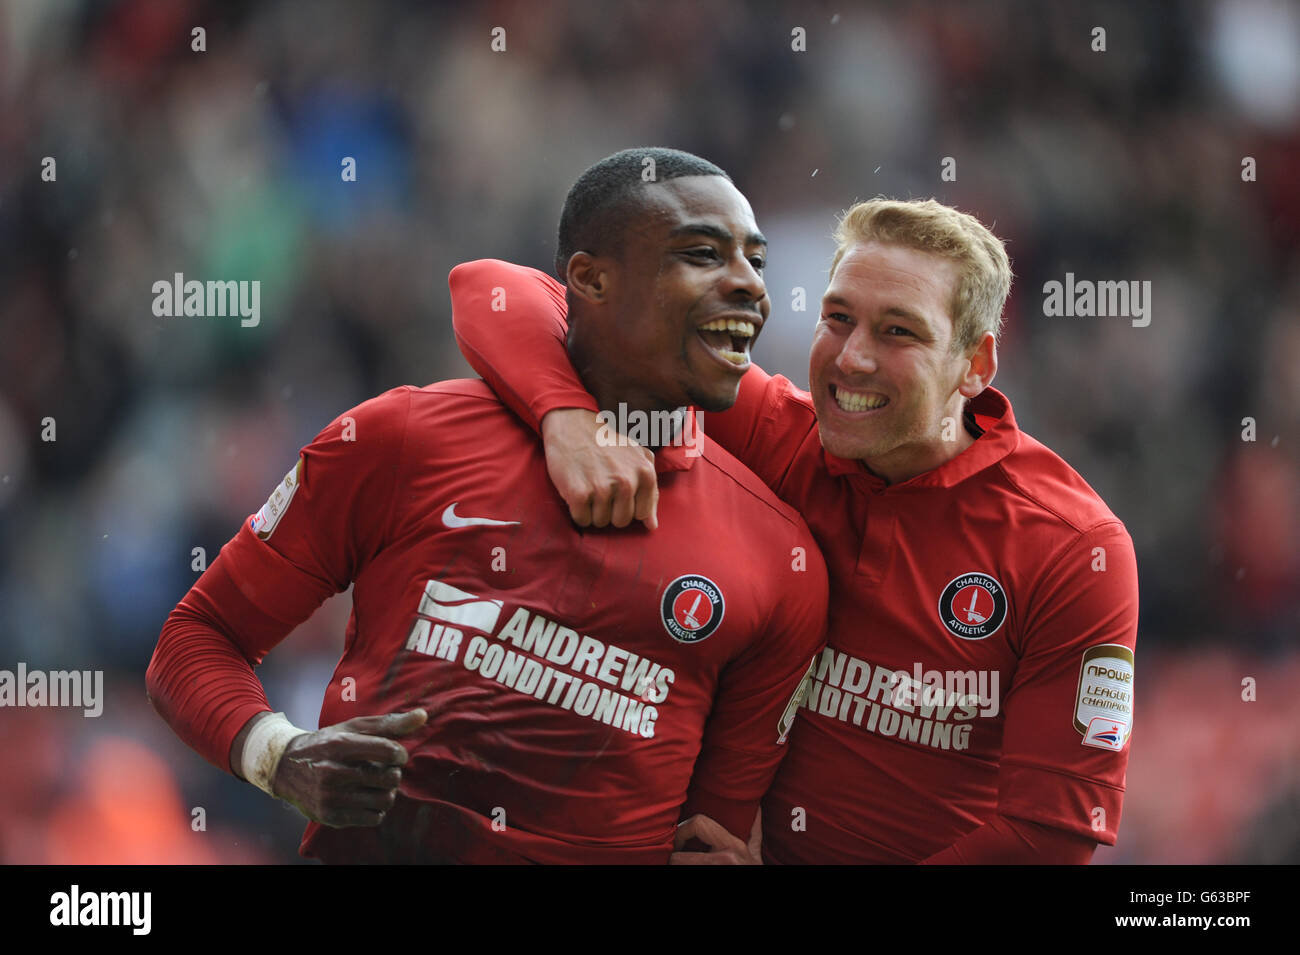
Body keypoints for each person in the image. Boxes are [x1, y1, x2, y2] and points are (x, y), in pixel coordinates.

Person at [146, 147, 828, 864]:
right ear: (590, 280)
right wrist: (278, 753)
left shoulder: (783, 563)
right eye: (703, 254)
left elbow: (710, 838)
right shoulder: (403, 437)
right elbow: (197, 637)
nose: (751, 285)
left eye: (757, 261)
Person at [447, 197, 1140, 864]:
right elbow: (495, 288)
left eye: (898, 330)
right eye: (838, 318)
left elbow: (1047, 837)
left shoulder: (1074, 548)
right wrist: (564, 414)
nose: (852, 359)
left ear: (976, 364)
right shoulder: (773, 431)